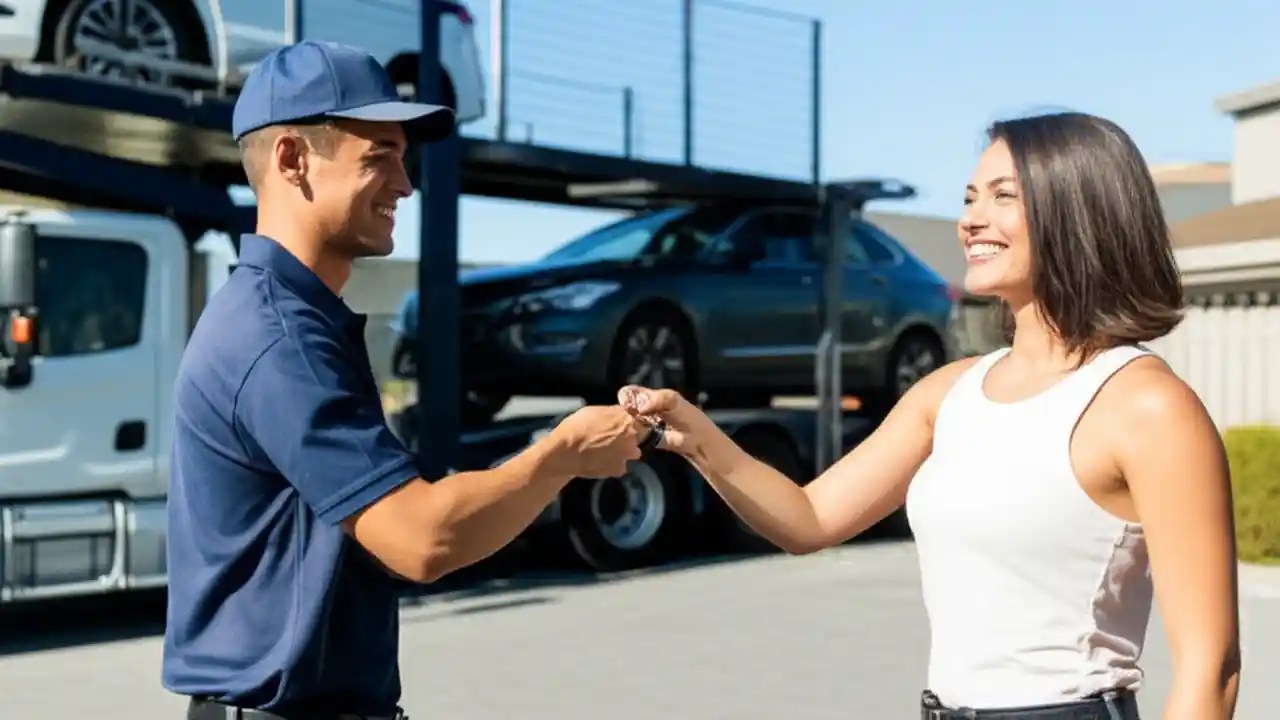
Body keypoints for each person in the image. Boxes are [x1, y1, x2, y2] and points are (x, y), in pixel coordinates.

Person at [619, 112, 1241, 719]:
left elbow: (1211, 669)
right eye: (969, 197)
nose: (971, 219)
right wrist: (695, 435)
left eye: (1003, 197)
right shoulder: (949, 391)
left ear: (1078, 213)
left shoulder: (1145, 405)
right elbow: (807, 519)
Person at [163, 40, 650, 720]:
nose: (405, 183)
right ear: (291, 160)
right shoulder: (279, 339)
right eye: (379, 157)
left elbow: (389, 542)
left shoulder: (294, 322)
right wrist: (560, 454)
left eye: (403, 156)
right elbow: (421, 540)